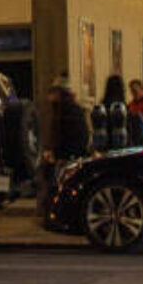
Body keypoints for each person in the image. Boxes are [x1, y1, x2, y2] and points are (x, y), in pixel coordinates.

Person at [40, 76, 90, 206]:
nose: (50, 96)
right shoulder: (64, 109)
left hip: (68, 155)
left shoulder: (67, 110)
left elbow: (68, 135)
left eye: (53, 92)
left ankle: (54, 208)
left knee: (57, 183)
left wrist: (56, 153)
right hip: (66, 153)